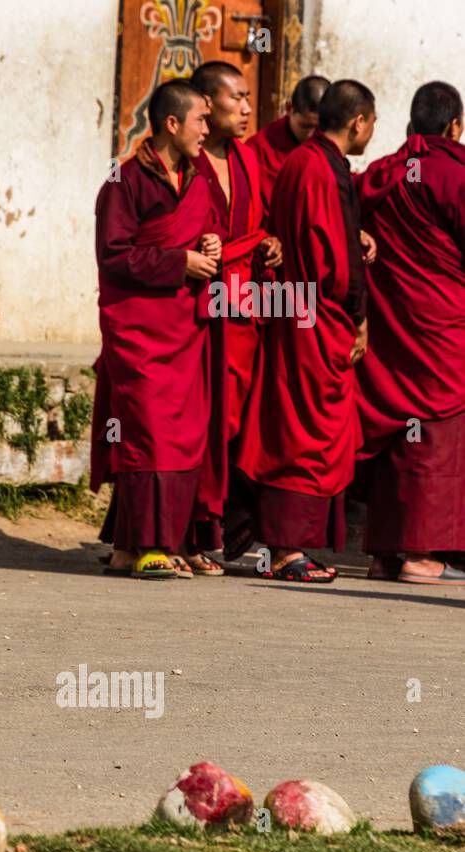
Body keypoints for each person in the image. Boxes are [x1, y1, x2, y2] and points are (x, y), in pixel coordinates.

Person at [233, 80, 379, 582]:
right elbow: (336, 267)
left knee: (288, 423)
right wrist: (358, 318)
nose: (371, 131)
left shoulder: (299, 161)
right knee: (305, 434)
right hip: (319, 317)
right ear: (358, 121)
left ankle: (285, 547)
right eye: (371, 122)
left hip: (293, 310)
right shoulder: (329, 168)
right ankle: (288, 550)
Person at [92, 79, 222, 579]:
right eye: (200, 121)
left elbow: (206, 226)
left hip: (183, 326)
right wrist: (179, 260)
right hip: (140, 329)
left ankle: (143, 545)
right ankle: (148, 545)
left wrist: (208, 245)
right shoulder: (122, 181)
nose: (207, 130)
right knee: (147, 433)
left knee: (183, 435)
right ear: (172, 123)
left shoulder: (196, 177)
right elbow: (114, 255)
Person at [356, 81, 465, 585]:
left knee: (396, 429)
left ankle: (384, 553)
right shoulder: (453, 174)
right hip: (443, 326)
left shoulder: (385, 171)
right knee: (436, 434)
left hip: (390, 327)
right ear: (455, 126)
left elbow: (345, 213)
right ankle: (423, 556)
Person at [187, 62, 283, 572]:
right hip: (196, 309)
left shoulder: (247, 159)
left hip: (243, 307)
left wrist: (270, 243)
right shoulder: (186, 159)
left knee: (233, 420)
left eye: (249, 98)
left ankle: (216, 530)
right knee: (198, 419)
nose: (248, 109)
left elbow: (261, 221)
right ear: (205, 102)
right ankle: (187, 532)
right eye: (237, 98)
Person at [247, 74, 330, 209]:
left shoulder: (329, 142)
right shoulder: (259, 149)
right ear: (289, 108)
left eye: (319, 128)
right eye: (305, 126)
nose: (311, 136)